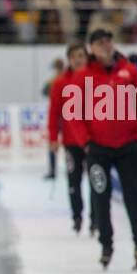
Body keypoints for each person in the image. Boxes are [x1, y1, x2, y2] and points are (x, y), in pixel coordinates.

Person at [76, 28, 137, 270]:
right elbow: (74, 114)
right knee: (100, 196)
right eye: (100, 42)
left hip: (128, 147)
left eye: (109, 41)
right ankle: (106, 244)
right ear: (91, 48)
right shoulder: (83, 77)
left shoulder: (129, 71)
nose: (106, 46)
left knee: (134, 197)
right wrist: (86, 142)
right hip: (98, 149)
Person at [49, 42, 94, 233]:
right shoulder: (60, 83)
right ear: (69, 59)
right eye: (74, 56)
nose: (78, 59)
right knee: (73, 181)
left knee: (96, 181)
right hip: (71, 141)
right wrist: (53, 137)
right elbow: (54, 113)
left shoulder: (96, 79)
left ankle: (96, 218)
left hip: (94, 141)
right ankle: (77, 215)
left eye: (81, 55)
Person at [42, 58, 65, 180]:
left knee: (53, 143)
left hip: (60, 116)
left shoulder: (54, 81)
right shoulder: (63, 78)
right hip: (65, 116)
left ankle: (52, 170)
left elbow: (44, 91)